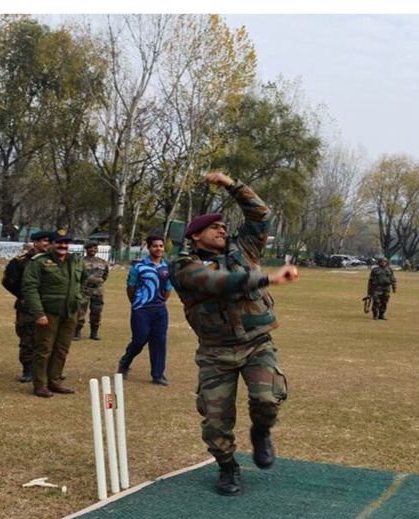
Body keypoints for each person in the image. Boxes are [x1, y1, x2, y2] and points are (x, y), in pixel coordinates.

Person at [170, 172, 299, 496]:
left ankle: (261, 432)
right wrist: (267, 279)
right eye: (214, 227)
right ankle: (228, 467)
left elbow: (260, 214)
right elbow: (217, 282)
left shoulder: (244, 250)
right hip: (216, 351)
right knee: (215, 422)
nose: (222, 229)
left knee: (267, 399)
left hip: (257, 344)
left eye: (224, 226)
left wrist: (232, 185)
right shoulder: (183, 267)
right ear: (196, 236)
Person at [21, 229, 86, 398]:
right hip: (48, 312)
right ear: (51, 244)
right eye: (59, 242)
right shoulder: (39, 262)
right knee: (44, 348)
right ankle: (40, 384)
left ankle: (55, 381)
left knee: (62, 349)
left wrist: (78, 300)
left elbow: (83, 282)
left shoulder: (76, 261)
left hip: (69, 312)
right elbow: (30, 288)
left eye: (66, 242)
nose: (63, 246)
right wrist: (38, 313)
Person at [117, 235, 172, 385]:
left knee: (159, 341)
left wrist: (159, 302)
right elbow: (131, 288)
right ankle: (125, 362)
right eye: (155, 246)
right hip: (141, 309)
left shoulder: (166, 267)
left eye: (161, 246)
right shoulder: (139, 267)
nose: (158, 249)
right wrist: (137, 303)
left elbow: (167, 289)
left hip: (160, 310)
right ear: (148, 247)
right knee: (140, 339)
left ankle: (158, 374)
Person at [1, 230, 52, 382]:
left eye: (49, 241)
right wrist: (24, 296)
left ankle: (47, 369)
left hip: (49, 306)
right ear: (35, 242)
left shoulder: (53, 260)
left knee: (48, 339)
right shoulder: (20, 261)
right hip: (27, 307)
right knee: (27, 339)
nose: (47, 244)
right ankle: (28, 369)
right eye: (44, 241)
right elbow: (8, 281)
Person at [74, 240, 109, 341]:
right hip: (84, 290)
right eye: (90, 247)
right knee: (80, 311)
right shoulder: (80, 261)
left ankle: (94, 332)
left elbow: (105, 275)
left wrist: (98, 282)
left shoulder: (103, 262)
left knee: (97, 312)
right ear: (86, 249)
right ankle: (77, 332)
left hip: (98, 290)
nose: (92, 249)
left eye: (94, 248)